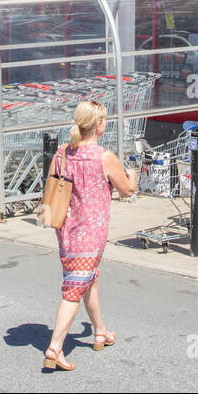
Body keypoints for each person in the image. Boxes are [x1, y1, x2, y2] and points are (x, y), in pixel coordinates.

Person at [43, 100, 137, 371]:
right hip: (91, 233)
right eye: (104, 120)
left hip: (66, 231)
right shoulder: (104, 157)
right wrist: (133, 175)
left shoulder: (62, 153)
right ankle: (55, 347)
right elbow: (127, 191)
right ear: (97, 126)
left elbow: (51, 186)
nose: (105, 124)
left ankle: (100, 331)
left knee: (88, 281)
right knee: (74, 288)